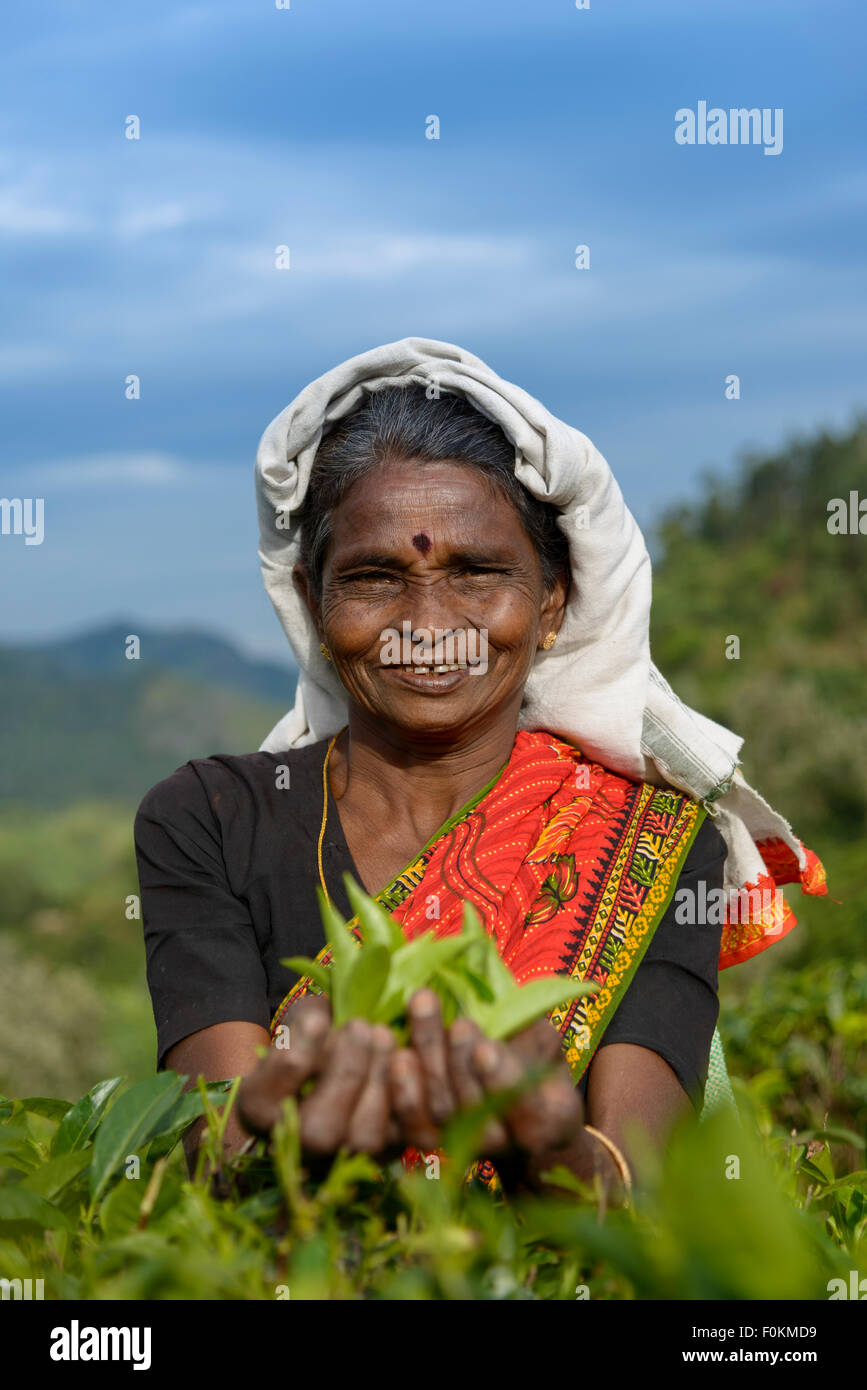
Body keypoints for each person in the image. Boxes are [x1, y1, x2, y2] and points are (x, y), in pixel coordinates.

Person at [134, 340, 826, 1199]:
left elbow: (632, 1182)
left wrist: (546, 1145)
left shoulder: (653, 839)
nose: (429, 624)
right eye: (375, 577)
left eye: (478, 573)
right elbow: (210, 1155)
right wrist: (274, 1134)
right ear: (314, 603)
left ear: (551, 602)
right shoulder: (209, 817)